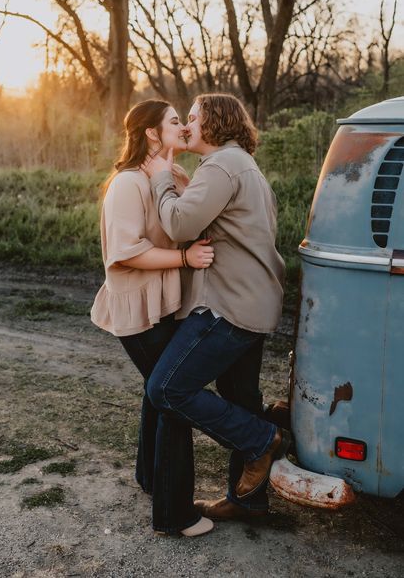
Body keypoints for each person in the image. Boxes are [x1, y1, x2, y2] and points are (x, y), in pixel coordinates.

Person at [142, 93, 289, 521]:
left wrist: (160, 178)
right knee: (238, 396)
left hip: (230, 306)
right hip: (257, 302)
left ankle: (264, 440)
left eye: (193, 117)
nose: (186, 125)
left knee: (166, 388)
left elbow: (179, 222)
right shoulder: (244, 164)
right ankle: (248, 501)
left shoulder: (222, 165)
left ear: (216, 123)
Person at [90, 99, 215, 537]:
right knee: (174, 396)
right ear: (151, 133)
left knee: (156, 390)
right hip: (137, 311)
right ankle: (174, 516)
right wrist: (185, 258)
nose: (183, 126)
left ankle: (150, 477)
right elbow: (127, 253)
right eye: (175, 121)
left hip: (166, 304)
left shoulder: (173, 175)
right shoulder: (127, 183)